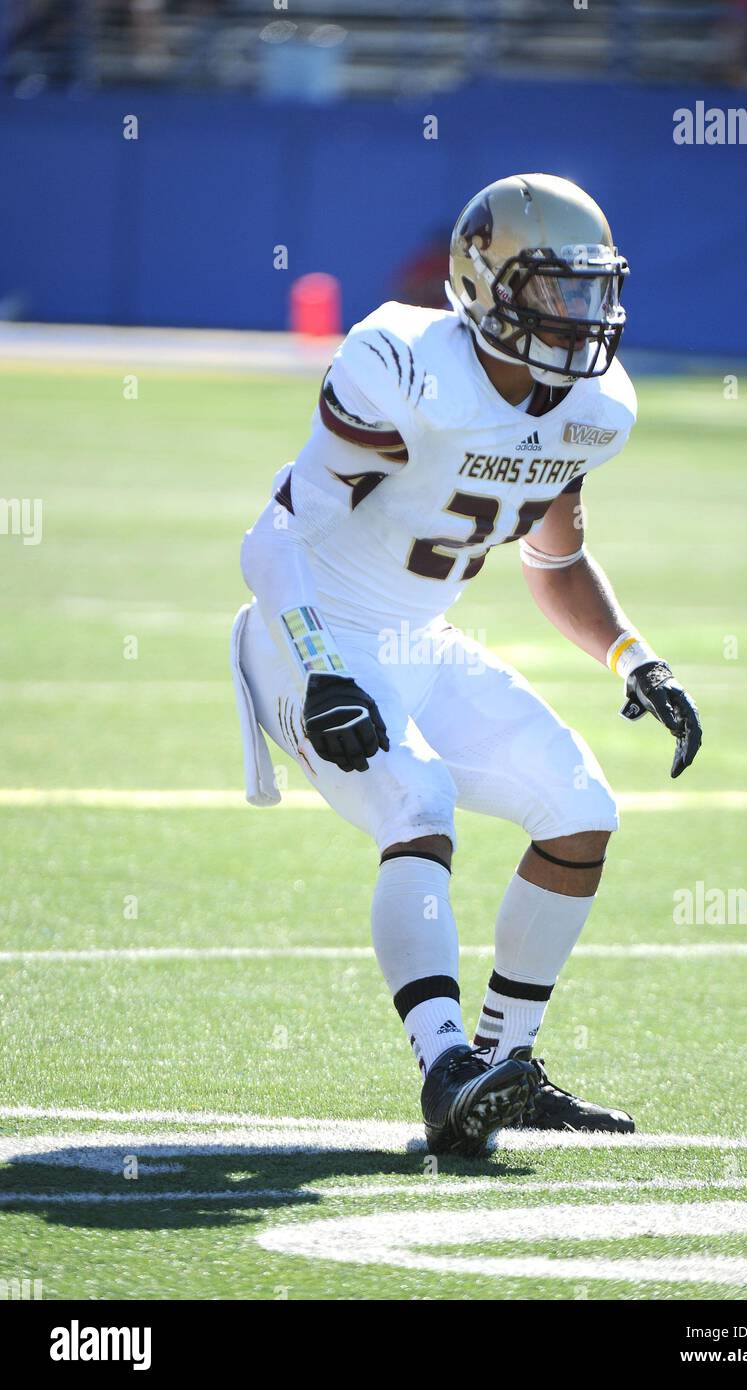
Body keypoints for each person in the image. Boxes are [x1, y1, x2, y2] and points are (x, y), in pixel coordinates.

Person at [232, 173, 702, 1156]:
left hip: (418, 641)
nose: (580, 315)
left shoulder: (592, 404)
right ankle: (445, 1067)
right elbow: (272, 539)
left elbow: (555, 558)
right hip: (307, 633)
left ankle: (505, 1066)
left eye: (591, 291)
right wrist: (319, 668)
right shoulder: (401, 363)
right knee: (419, 799)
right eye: (554, 291)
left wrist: (632, 656)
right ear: (486, 285)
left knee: (580, 808)